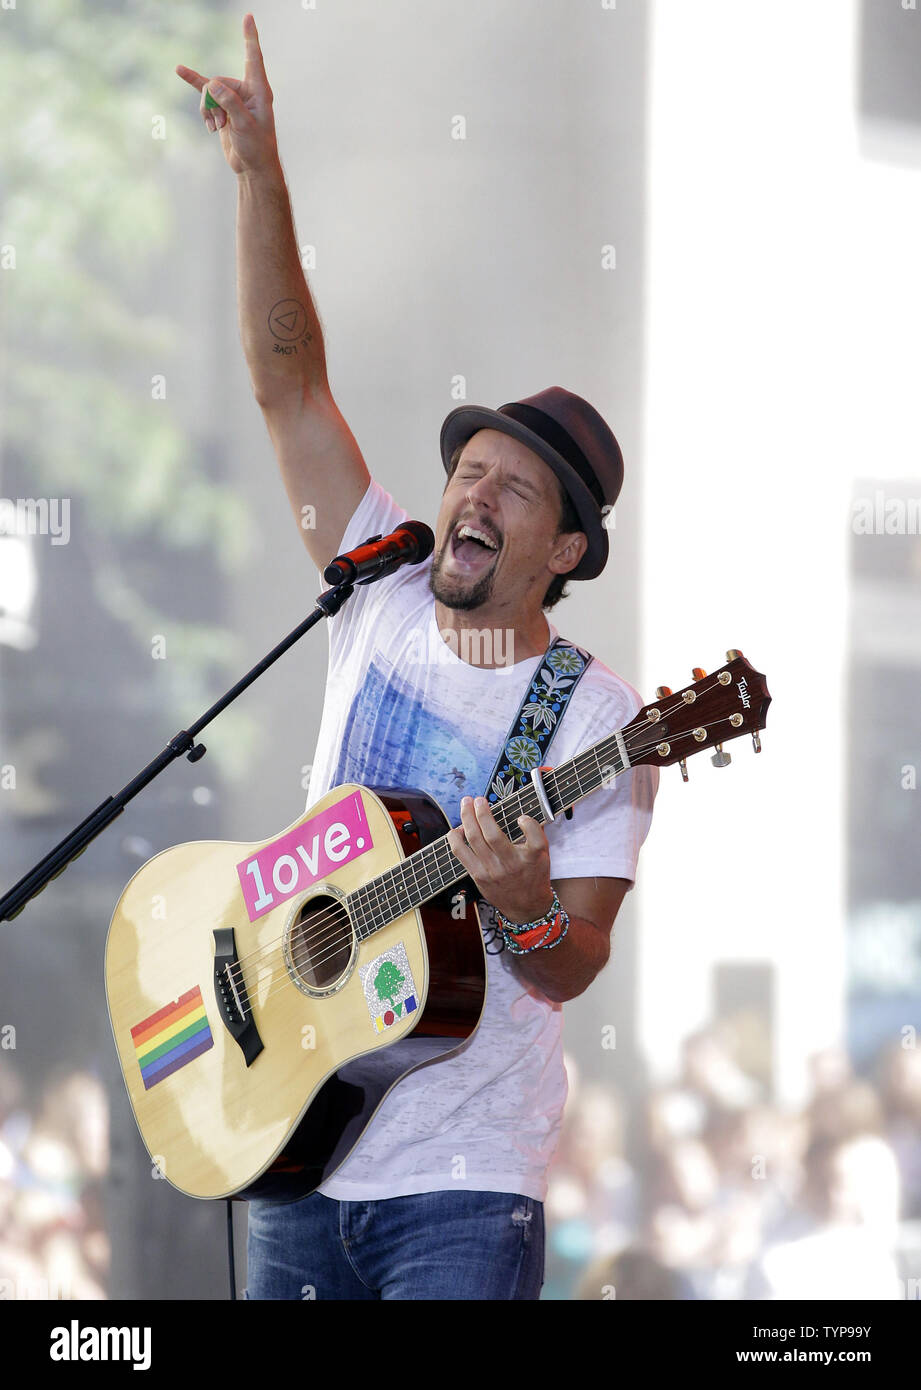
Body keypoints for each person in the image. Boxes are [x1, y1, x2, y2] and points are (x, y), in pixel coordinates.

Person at [177, 13, 657, 1300]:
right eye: (470, 468)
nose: (475, 491)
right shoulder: (375, 591)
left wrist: (523, 903)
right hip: (291, 1141)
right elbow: (288, 385)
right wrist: (262, 172)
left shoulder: (596, 716)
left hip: (461, 1185)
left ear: (561, 551)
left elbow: (571, 960)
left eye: (515, 487)